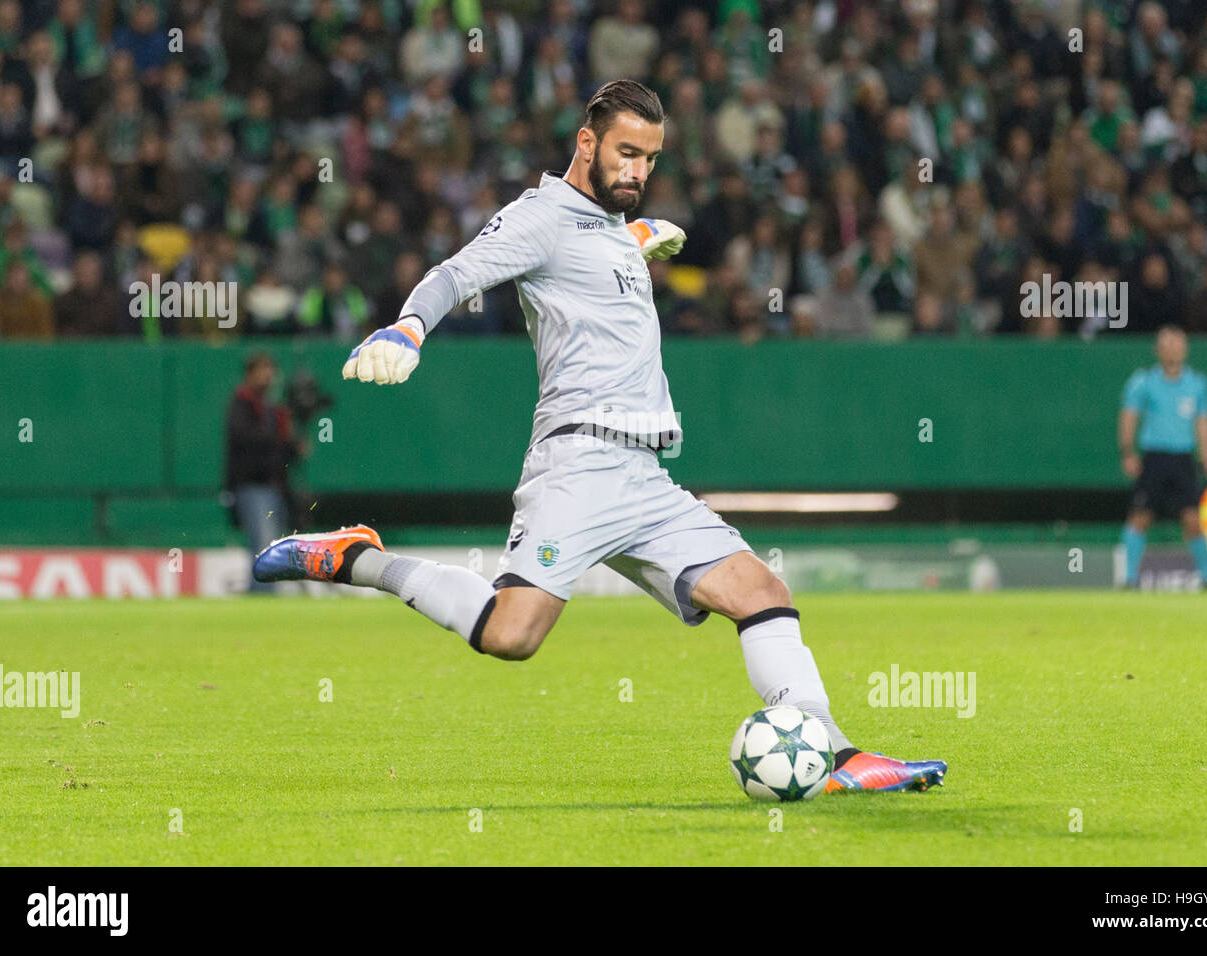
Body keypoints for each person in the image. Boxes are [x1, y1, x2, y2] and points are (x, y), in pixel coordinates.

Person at [254, 80, 946, 793]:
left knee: (761, 590)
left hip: (645, 476)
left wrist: (637, 239)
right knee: (511, 635)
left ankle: (833, 755)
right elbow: (457, 272)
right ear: (586, 143)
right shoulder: (541, 216)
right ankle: (359, 560)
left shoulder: (610, 224)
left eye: (650, 158)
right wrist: (408, 326)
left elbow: (595, 264)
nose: (639, 172)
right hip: (579, 464)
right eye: (626, 153)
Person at [1117, 326, 1207, 588]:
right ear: (1157, 350)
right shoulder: (1142, 382)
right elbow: (1129, 416)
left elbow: (1203, 421)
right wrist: (1128, 452)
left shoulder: (1197, 384)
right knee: (1140, 516)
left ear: (1185, 349)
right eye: (1167, 345)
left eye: (1177, 344)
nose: (1173, 349)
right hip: (1154, 457)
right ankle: (1129, 578)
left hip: (1183, 457)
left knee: (1194, 519)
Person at [225, 353, 302, 593]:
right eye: (262, 370)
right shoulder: (241, 403)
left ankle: (265, 592)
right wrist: (279, 439)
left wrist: (292, 445)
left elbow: (282, 446)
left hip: (275, 485)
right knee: (263, 546)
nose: (267, 376)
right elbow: (244, 438)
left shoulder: (272, 407)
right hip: (252, 484)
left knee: (272, 545)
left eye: (270, 370)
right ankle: (261, 593)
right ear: (249, 374)